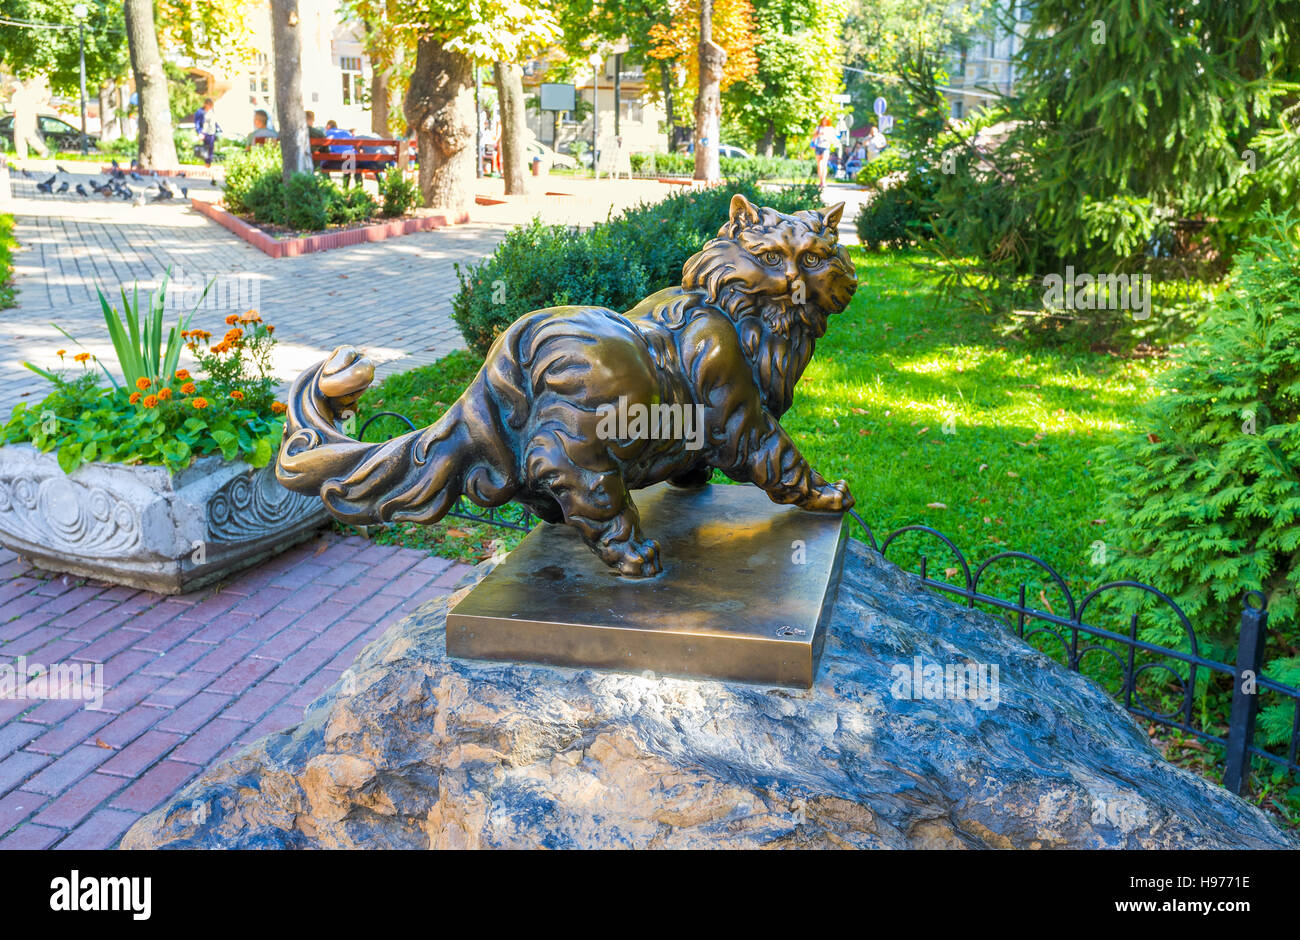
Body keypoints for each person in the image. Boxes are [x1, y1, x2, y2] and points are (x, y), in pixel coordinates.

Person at [323, 119, 361, 187]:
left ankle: (329, 186)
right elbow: (355, 146)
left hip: (334, 163)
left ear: (328, 126)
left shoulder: (327, 133)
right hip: (350, 164)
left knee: (323, 165)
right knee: (351, 160)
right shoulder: (347, 132)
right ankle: (347, 188)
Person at [811, 116, 836, 188]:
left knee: (824, 164)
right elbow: (813, 138)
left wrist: (827, 137)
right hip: (818, 147)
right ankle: (821, 180)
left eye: (826, 120)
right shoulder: (818, 128)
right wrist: (819, 134)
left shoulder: (830, 129)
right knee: (819, 165)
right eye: (823, 120)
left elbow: (833, 139)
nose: (824, 122)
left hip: (826, 147)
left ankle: (823, 181)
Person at [195, 98, 220, 166]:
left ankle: (208, 164)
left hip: (212, 133)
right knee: (206, 149)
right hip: (205, 133)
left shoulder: (211, 111)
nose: (211, 107)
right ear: (206, 104)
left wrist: (219, 129)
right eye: (210, 105)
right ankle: (206, 164)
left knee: (211, 149)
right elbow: (197, 123)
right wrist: (199, 132)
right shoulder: (200, 112)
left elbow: (214, 122)